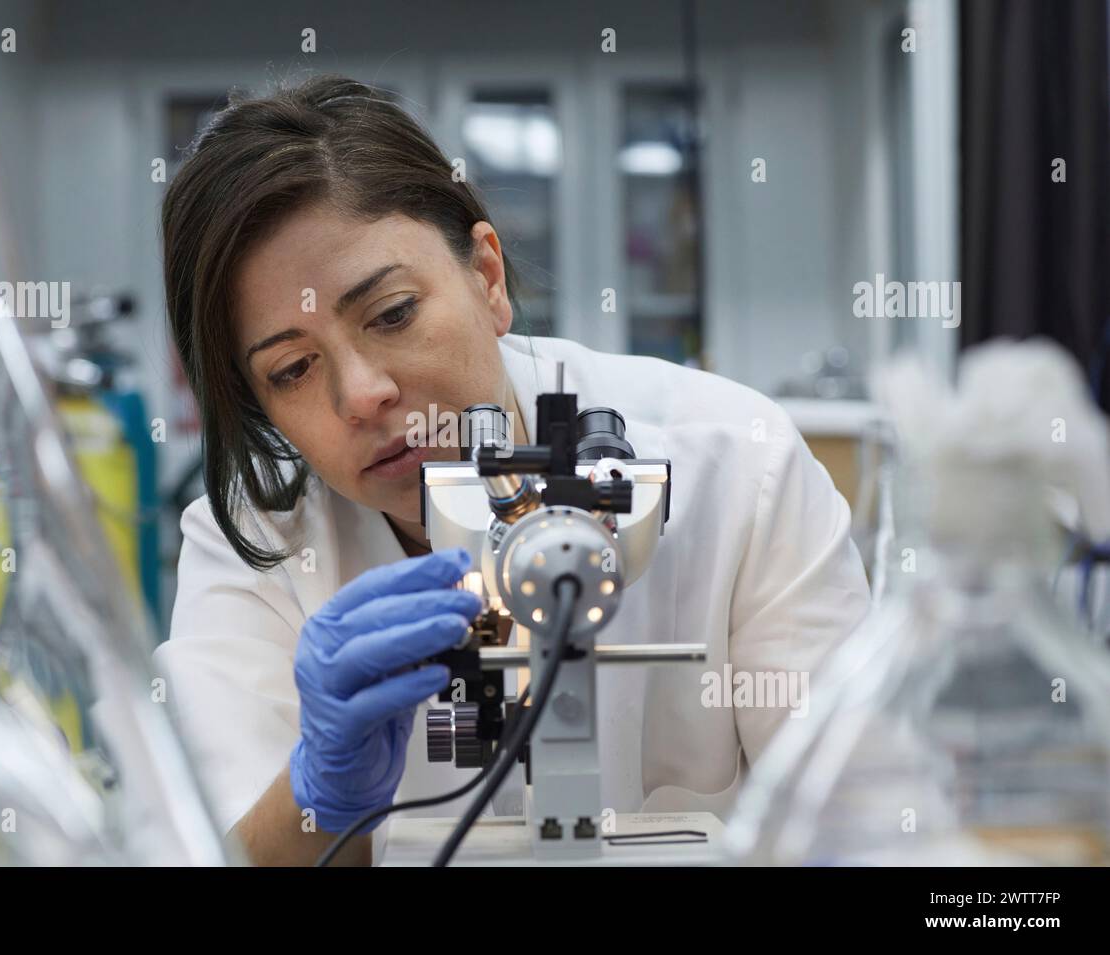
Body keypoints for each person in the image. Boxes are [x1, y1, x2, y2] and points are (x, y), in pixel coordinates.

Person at [155, 74, 871, 866]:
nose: (363, 395)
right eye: (292, 368)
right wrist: (317, 793)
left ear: (486, 277)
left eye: (393, 314)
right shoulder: (258, 547)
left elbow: (862, 825)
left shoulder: (739, 465)